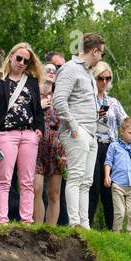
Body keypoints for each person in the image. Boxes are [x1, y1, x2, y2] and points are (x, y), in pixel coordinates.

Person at [0, 42, 44, 225]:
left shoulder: (32, 82)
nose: (21, 63)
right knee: (4, 179)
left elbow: (38, 109)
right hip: (5, 134)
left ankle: (26, 220)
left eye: (26, 61)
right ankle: (1, 220)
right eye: (19, 58)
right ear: (11, 56)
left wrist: (39, 129)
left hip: (28, 134)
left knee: (27, 181)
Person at [52, 33, 105, 230]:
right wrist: (74, 127)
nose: (101, 57)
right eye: (102, 53)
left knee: (86, 181)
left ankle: (84, 225)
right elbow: (58, 100)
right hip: (76, 131)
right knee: (75, 176)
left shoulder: (88, 73)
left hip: (91, 133)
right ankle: (74, 223)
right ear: (95, 51)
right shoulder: (70, 68)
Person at [89, 61, 126, 230]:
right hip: (92, 146)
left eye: (108, 78)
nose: (104, 81)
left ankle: (114, 230)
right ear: (93, 78)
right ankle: (86, 227)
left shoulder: (113, 102)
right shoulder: (86, 99)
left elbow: (125, 124)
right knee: (93, 188)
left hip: (110, 148)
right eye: (100, 78)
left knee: (110, 190)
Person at [103, 117, 131, 233]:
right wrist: (107, 176)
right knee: (120, 212)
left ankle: (130, 235)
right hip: (117, 185)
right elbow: (108, 162)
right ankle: (116, 234)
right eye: (130, 133)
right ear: (122, 132)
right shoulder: (114, 146)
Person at [35, 63, 65, 225]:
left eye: (54, 71)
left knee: (54, 193)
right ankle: (37, 229)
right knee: (36, 188)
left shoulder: (59, 97)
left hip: (56, 145)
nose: (52, 72)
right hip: (36, 143)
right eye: (48, 70)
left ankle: (51, 231)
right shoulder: (32, 93)